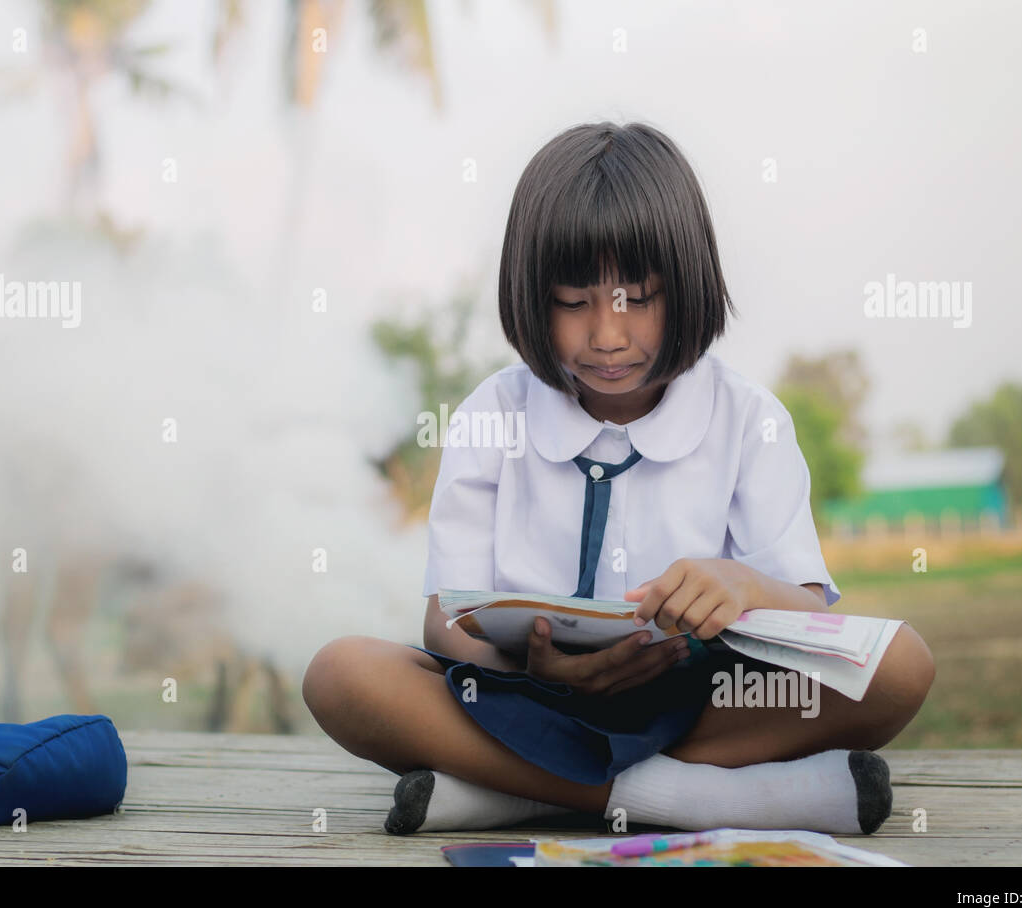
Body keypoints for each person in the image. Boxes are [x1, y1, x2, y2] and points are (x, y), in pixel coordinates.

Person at [303, 121, 935, 837]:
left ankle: (514, 794)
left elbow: (810, 614)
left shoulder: (748, 418)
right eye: (574, 302)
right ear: (530, 298)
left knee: (900, 665)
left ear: (689, 286)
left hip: (701, 706)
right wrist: (541, 675)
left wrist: (746, 586)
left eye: (641, 297)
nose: (607, 334)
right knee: (342, 674)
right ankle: (695, 801)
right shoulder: (493, 413)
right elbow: (447, 620)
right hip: (525, 699)